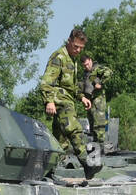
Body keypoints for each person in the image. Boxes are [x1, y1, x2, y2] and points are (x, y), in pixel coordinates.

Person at [39, 27, 96, 178]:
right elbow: (46, 81)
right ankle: (87, 163)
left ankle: (53, 171)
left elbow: (71, 86)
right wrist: (49, 101)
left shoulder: (72, 60)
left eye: (81, 48)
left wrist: (82, 97)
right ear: (69, 41)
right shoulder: (59, 57)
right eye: (75, 46)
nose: (78, 50)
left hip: (68, 99)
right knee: (74, 128)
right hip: (60, 101)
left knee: (60, 140)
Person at [80, 56, 112, 139]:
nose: (86, 66)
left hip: (98, 98)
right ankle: (94, 142)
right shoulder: (85, 73)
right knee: (92, 122)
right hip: (89, 99)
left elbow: (109, 72)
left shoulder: (97, 68)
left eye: (87, 64)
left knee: (99, 122)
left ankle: (101, 143)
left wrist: (101, 83)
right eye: (84, 65)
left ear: (90, 60)